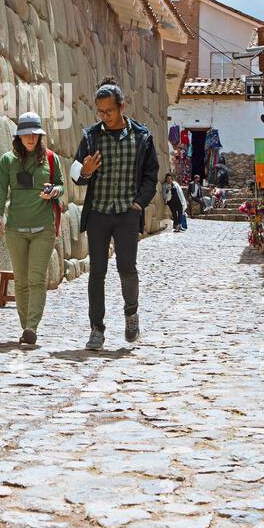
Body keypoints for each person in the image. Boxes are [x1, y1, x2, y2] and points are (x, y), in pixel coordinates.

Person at [72, 78, 159, 350]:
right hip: (98, 214)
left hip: (126, 215)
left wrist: (138, 204)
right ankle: (96, 329)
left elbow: (150, 176)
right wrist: (85, 171)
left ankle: (131, 313)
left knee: (126, 269)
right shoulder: (91, 137)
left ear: (122, 106)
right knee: (97, 272)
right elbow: (76, 173)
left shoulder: (142, 137)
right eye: (100, 111)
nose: (104, 116)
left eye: (108, 110)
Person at [0, 112, 64, 348]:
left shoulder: (51, 159)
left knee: (36, 279)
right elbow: (0, 190)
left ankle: (32, 326)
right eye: (26, 134)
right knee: (21, 280)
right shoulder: (7, 161)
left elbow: (61, 186)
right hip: (16, 230)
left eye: (35, 134)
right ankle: (26, 328)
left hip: (43, 228)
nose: (31, 138)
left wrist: (53, 191)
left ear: (40, 136)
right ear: (19, 137)